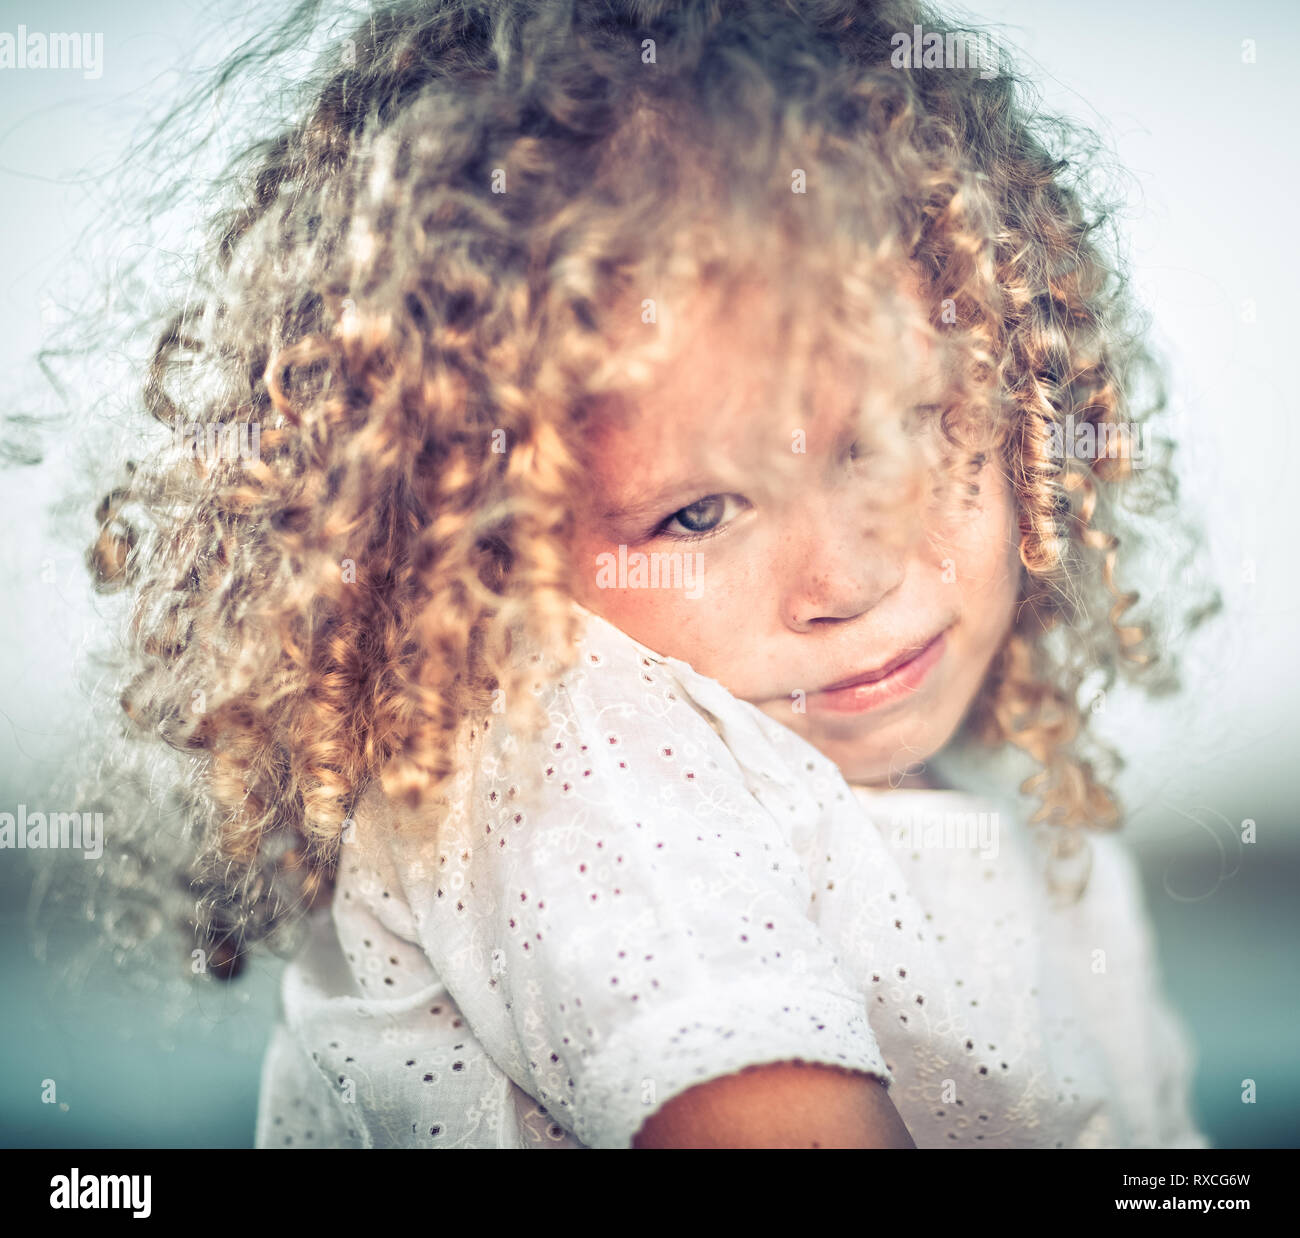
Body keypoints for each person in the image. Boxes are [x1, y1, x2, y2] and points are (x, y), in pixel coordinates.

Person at [85, 0, 1214, 1148]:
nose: (857, 572)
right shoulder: (575, 768)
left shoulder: (1027, 837)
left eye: (911, 430)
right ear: (476, 557)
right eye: (697, 511)